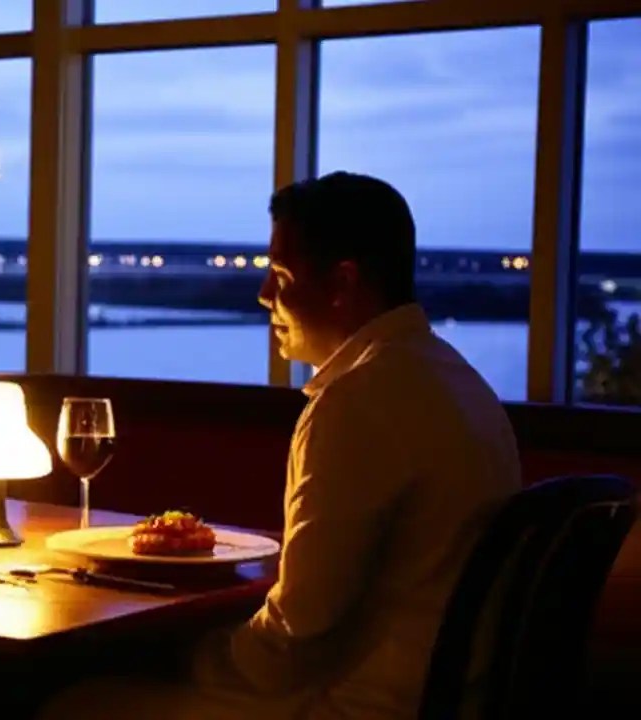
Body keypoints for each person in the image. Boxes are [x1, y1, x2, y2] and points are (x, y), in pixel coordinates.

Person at [39, 171, 521, 719]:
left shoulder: (358, 402)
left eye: (281, 275)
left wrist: (174, 657)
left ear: (341, 283)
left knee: (74, 704)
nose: (264, 295)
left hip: (360, 707)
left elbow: (296, 642)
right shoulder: (458, 382)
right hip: (452, 701)